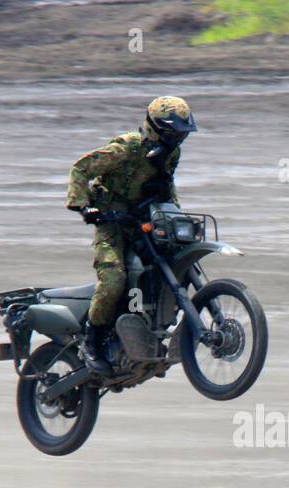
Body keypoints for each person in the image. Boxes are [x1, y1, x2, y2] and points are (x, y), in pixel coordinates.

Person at [65, 96, 197, 374]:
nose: (178, 140)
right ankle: (92, 341)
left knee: (176, 258)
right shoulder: (126, 148)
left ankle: (154, 328)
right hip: (111, 222)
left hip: (143, 221)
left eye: (182, 135)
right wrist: (84, 207)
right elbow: (81, 169)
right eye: (173, 134)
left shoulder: (171, 154)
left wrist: (176, 216)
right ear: (155, 129)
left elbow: (167, 186)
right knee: (114, 279)